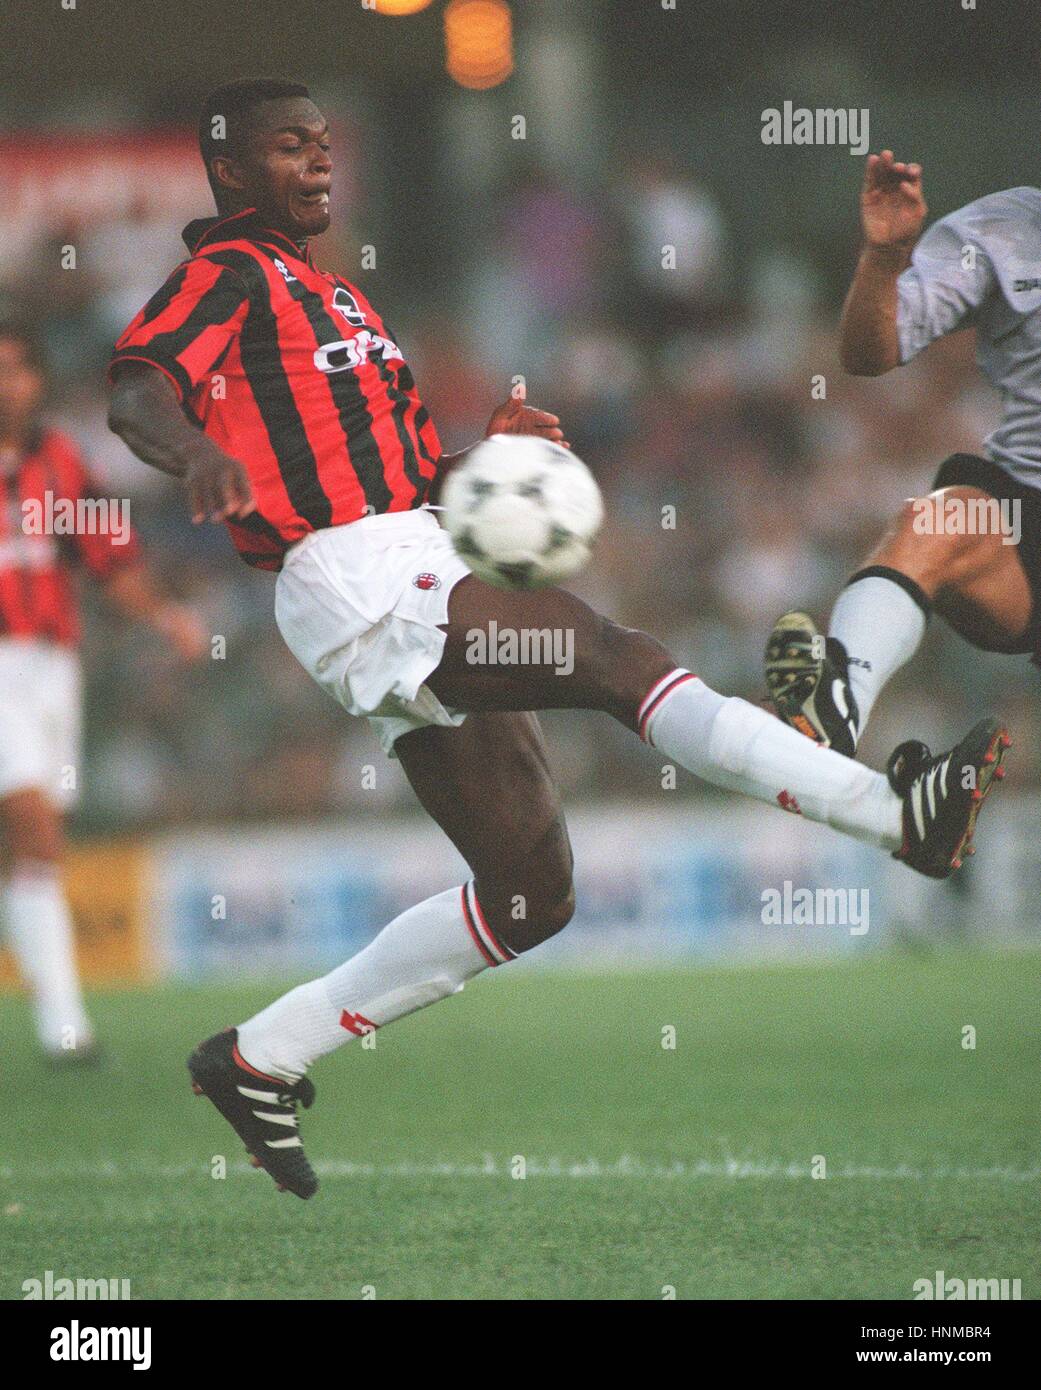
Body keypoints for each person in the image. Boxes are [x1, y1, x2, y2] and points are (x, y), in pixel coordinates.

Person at [108, 87, 1009, 1198]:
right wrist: (191, 451)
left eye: (325, 143)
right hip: (357, 572)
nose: (318, 162)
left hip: (410, 549)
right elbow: (137, 391)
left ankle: (258, 1055)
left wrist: (481, 457)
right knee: (613, 656)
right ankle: (891, 816)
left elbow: (392, 466)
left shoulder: (332, 289)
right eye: (288, 146)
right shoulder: (228, 273)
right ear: (231, 170)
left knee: (532, 890)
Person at [766, 151, 1035, 787]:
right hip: (1027, 520)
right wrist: (884, 259)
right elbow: (869, 353)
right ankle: (836, 711)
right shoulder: (999, 232)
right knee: (936, 518)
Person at [0, 320, 205, 1061]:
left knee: (39, 844)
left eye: (17, 368)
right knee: (32, 824)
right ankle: (65, 1032)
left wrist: (166, 616)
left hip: (52, 669)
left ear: (39, 381)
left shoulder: (61, 461)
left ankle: (63, 1022)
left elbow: (110, 559)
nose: (6, 384)